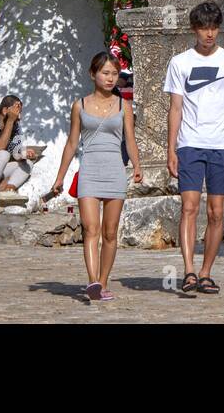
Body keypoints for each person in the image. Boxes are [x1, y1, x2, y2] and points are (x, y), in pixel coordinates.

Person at [164, 0, 224, 295]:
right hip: (190, 143)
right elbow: (175, 108)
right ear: (194, 29)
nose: (209, 33)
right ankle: (188, 271)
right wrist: (170, 149)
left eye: (214, 27)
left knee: (216, 212)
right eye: (204, 28)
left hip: (223, 146)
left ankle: (206, 272)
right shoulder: (179, 63)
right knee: (189, 207)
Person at [49, 53, 142, 301]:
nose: (110, 78)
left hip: (114, 170)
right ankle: (93, 283)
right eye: (105, 73)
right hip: (89, 170)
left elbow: (130, 139)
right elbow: (71, 143)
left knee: (110, 232)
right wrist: (60, 177)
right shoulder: (80, 105)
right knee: (91, 229)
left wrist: (137, 165)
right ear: (93, 74)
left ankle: (103, 280)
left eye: (114, 73)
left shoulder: (124, 106)